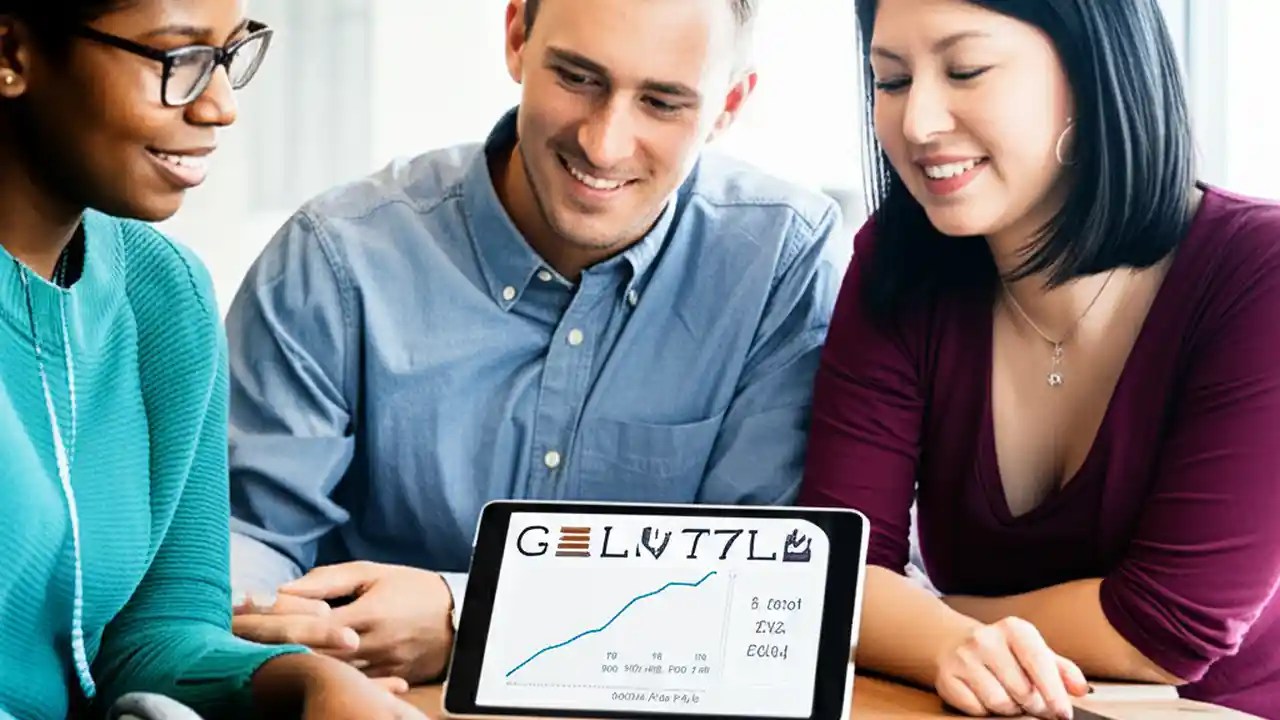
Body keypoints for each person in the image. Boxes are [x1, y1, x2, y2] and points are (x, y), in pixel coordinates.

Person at [225, 0, 842, 688]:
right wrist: (297, 650)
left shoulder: (781, 262)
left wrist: (473, 617)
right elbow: (246, 538)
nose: (605, 145)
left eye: (663, 103)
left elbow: (771, 591)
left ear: (728, 104)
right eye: (578, 78)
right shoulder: (336, 258)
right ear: (517, 35)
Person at [799, 0, 1280, 718]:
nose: (918, 123)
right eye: (892, 81)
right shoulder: (895, 263)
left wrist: (925, 622)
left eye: (967, 70)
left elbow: (1164, 631)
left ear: (1091, 74)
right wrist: (923, 634)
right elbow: (832, 567)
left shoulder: (1257, 274)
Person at [0, 1, 430, 718]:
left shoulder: (165, 293)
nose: (221, 107)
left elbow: (155, 635)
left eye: (230, 55)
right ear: (11, 51)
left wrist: (306, 683)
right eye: (178, 59)